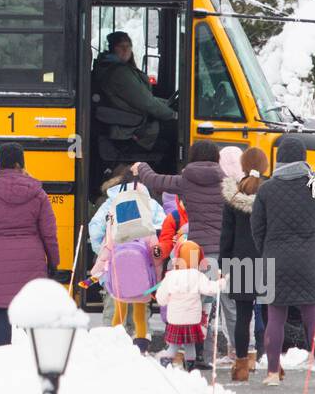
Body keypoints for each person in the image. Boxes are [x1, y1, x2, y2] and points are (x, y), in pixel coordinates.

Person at [250, 136, 315, 386]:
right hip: (307, 260)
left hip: (275, 259)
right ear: (304, 159)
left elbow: (257, 228)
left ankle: (273, 374)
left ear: (279, 160)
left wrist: (267, 251)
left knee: (275, 318)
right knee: (313, 318)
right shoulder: (314, 184)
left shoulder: (266, 189)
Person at [133, 140, 227, 368]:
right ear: (216, 158)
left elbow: (156, 180)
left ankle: (180, 350)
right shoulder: (227, 182)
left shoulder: (186, 180)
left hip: (195, 251)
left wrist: (141, 167)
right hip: (220, 251)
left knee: (192, 300)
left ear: (192, 157)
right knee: (207, 306)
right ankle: (201, 355)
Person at [0, 143, 60, 346]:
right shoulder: (38, 194)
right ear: (20, 163)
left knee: (0, 312)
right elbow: (49, 233)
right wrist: (54, 261)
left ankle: (2, 359)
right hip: (32, 261)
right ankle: (38, 358)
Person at [86, 166, 165, 350]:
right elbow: (162, 235)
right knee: (139, 312)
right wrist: (156, 267)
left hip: (115, 269)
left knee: (115, 310)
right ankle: (140, 347)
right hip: (143, 272)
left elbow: (95, 228)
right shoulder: (150, 204)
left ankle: (111, 348)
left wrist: (105, 256)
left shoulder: (111, 203)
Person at [220, 146, 270, 382]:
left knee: (243, 315)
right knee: (271, 315)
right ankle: (272, 365)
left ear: (242, 165)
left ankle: (241, 365)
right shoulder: (272, 194)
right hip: (267, 258)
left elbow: (226, 235)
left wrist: (224, 263)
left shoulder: (233, 196)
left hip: (240, 261)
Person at [91, 31, 177, 151]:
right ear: (112, 49)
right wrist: (173, 114)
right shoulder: (119, 73)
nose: (126, 50)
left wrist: (166, 103)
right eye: (121, 46)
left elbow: (144, 98)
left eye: (128, 46)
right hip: (131, 129)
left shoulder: (112, 67)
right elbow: (146, 102)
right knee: (179, 128)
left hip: (126, 122)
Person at [155, 239, 225, 370]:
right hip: (192, 320)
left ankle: (166, 362)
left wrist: (165, 300)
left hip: (175, 320)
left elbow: (161, 298)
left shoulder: (171, 276)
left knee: (174, 345)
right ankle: (191, 367)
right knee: (190, 345)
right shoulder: (197, 275)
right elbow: (210, 289)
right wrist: (220, 283)